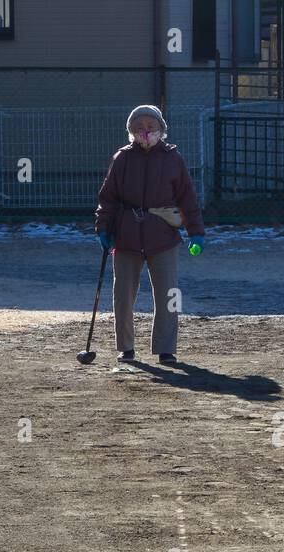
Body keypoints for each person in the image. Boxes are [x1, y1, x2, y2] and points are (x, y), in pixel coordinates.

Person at [94, 105, 205, 365]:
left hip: (163, 235)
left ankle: (166, 349)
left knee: (169, 294)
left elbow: (187, 198)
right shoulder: (121, 159)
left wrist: (196, 233)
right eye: (139, 127)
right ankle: (126, 347)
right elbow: (107, 198)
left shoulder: (173, 158)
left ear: (161, 129)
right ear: (131, 130)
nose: (145, 131)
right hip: (126, 235)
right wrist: (103, 228)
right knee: (123, 294)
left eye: (151, 126)